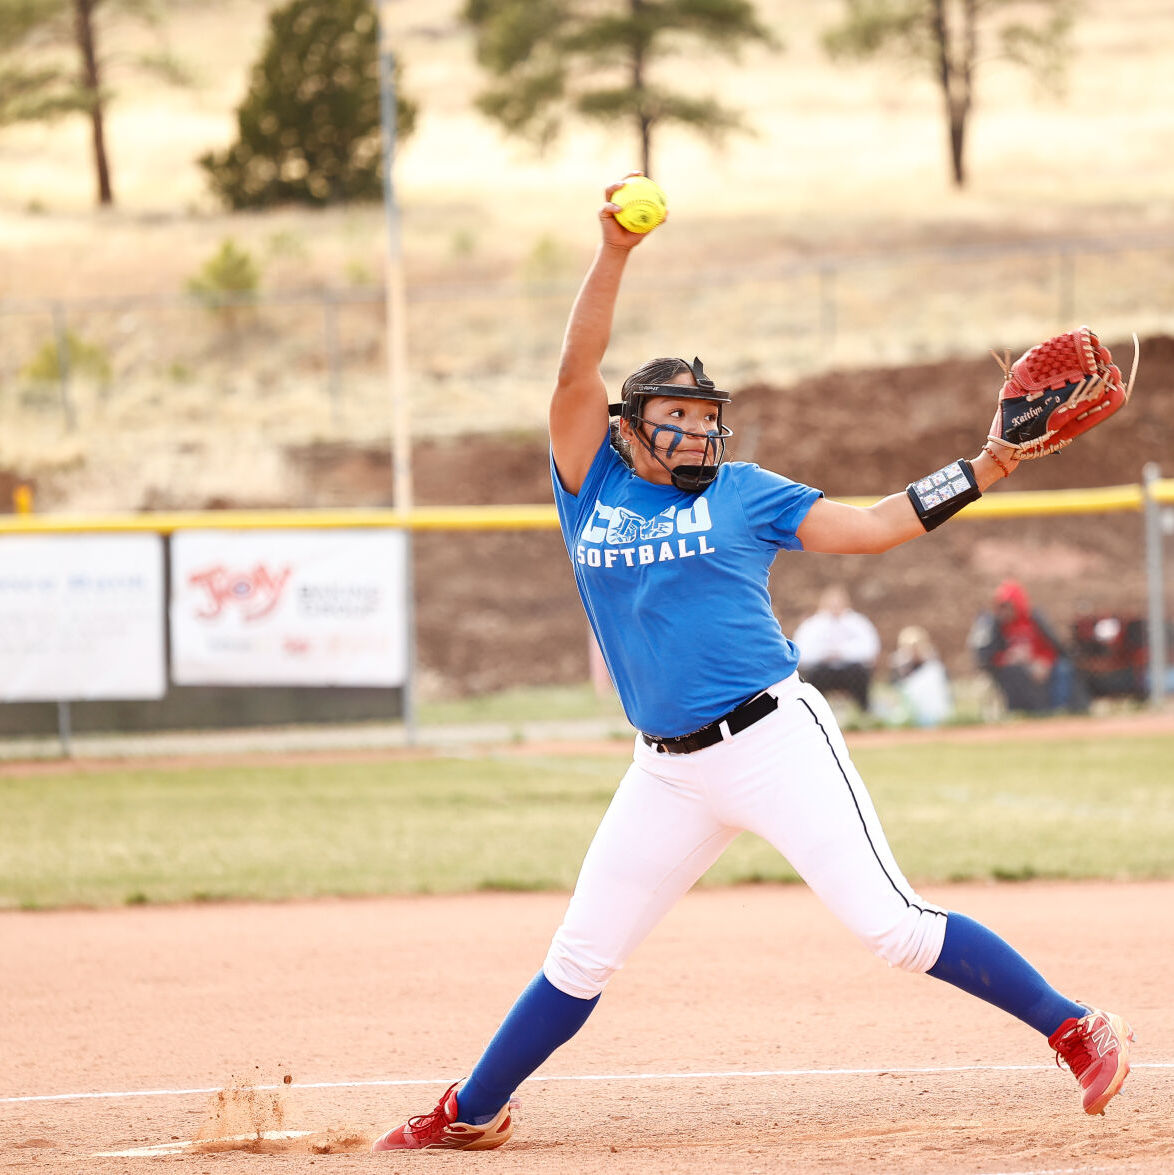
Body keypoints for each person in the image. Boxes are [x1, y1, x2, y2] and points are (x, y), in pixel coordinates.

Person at [374, 176, 1135, 1153]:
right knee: (580, 953)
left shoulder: (742, 491)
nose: (694, 430)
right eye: (673, 417)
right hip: (665, 767)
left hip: (772, 738)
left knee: (891, 927)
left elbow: (866, 527)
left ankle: (1076, 1027)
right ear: (626, 426)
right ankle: (471, 1108)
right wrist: (612, 252)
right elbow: (573, 369)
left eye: (703, 415)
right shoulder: (588, 480)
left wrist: (983, 466)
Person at [969, 579, 1083, 715]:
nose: (1005, 612)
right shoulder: (996, 625)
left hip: (1042, 664)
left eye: (1007, 606)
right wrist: (1008, 658)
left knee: (1063, 669)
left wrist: (1045, 661)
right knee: (1014, 673)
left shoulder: (1034, 619)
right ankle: (1028, 711)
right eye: (1001, 607)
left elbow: (1054, 646)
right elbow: (988, 656)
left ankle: (1060, 710)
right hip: (1016, 667)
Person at [791, 584, 880, 711]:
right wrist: (824, 654)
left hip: (851, 670)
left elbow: (870, 649)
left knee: (860, 673)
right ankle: (814, 711)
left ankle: (864, 712)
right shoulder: (812, 625)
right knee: (815, 676)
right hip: (822, 670)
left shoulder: (858, 623)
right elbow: (802, 652)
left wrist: (843, 653)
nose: (835, 606)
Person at [889, 625, 953, 727]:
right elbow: (896, 690)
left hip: (933, 711)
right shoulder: (900, 667)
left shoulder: (934, 668)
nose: (914, 651)